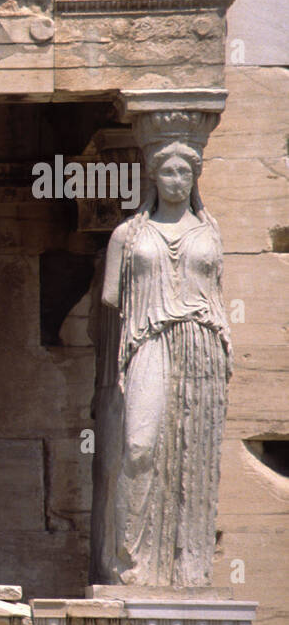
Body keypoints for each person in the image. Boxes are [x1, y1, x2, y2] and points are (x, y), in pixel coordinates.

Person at [97, 137, 231, 586]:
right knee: (139, 446)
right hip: (147, 339)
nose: (177, 180)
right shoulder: (127, 236)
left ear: (194, 179)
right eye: (169, 172)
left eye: (185, 173)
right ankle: (129, 560)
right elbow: (111, 298)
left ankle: (183, 569)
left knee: (193, 449)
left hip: (201, 343)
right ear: (154, 177)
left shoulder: (209, 234)